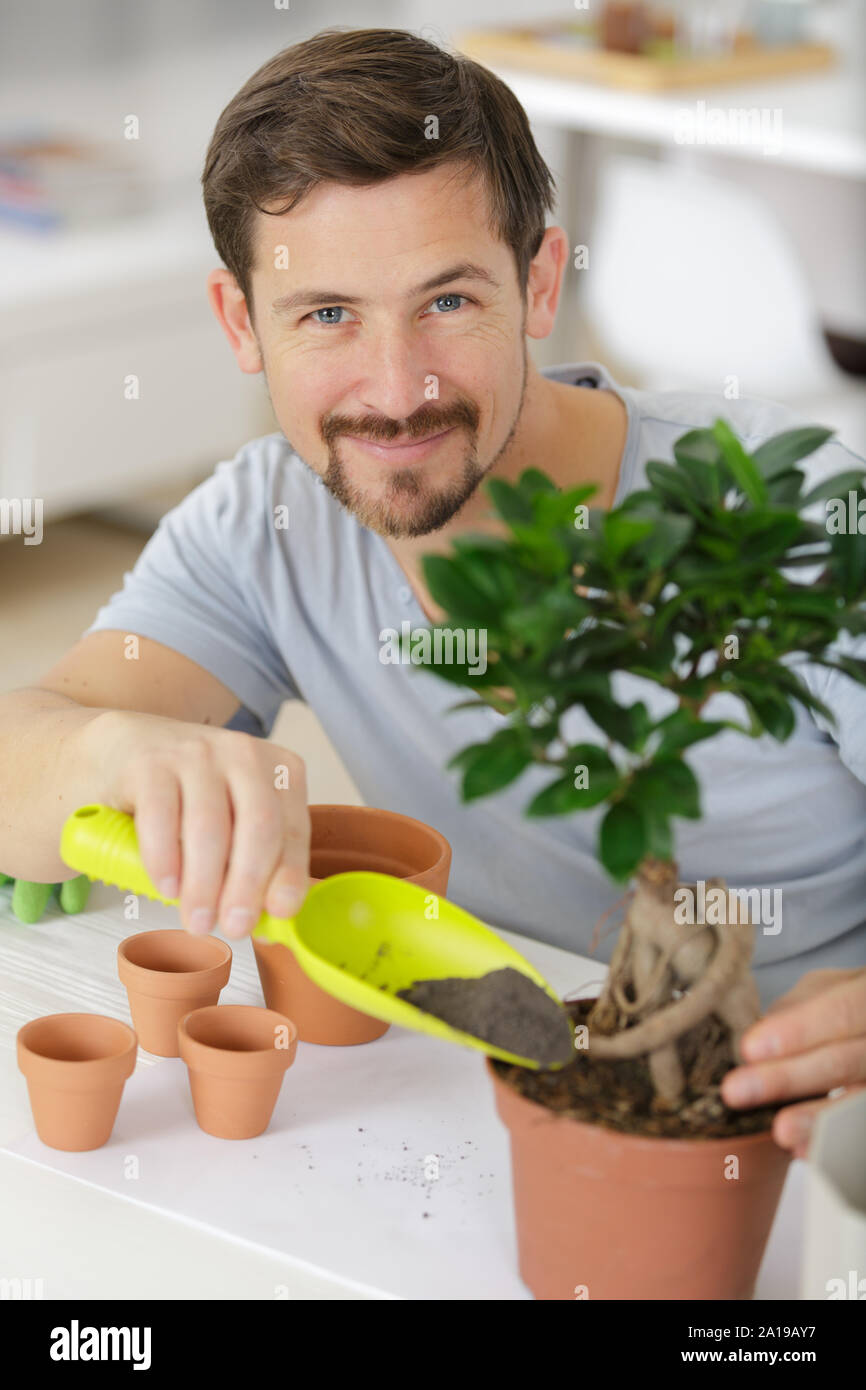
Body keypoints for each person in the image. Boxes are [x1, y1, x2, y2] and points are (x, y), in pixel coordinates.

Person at [1, 29, 863, 1156]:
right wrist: (115, 753)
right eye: (326, 315)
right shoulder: (265, 523)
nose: (395, 389)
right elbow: (22, 760)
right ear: (238, 324)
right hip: (495, 1105)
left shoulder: (787, 508)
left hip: (793, 1131)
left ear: (539, 281)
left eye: (448, 302)